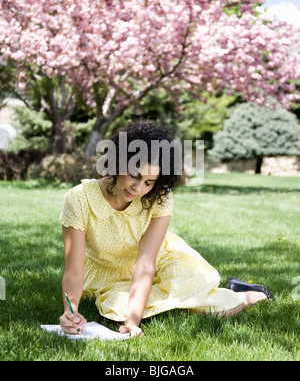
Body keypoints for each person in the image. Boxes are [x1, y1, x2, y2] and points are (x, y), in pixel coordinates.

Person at [59, 119, 274, 337]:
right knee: (118, 309)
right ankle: (184, 300)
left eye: (149, 182)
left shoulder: (159, 197)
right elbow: (74, 268)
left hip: (160, 260)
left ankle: (246, 296)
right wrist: (71, 312)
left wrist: (133, 322)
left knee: (208, 309)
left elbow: (144, 264)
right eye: (134, 175)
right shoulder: (79, 198)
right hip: (108, 270)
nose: (138, 188)